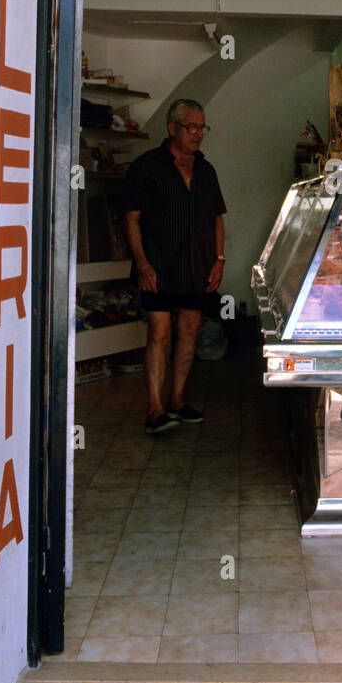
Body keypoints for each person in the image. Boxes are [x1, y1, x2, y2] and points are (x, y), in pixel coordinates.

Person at [123, 99, 227, 435]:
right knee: (159, 333)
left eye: (202, 128)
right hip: (158, 267)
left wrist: (219, 260)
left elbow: (217, 219)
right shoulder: (147, 167)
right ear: (172, 128)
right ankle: (155, 409)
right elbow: (132, 218)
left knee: (190, 332)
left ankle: (177, 401)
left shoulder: (206, 170)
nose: (198, 134)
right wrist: (142, 264)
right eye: (191, 127)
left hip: (196, 267)